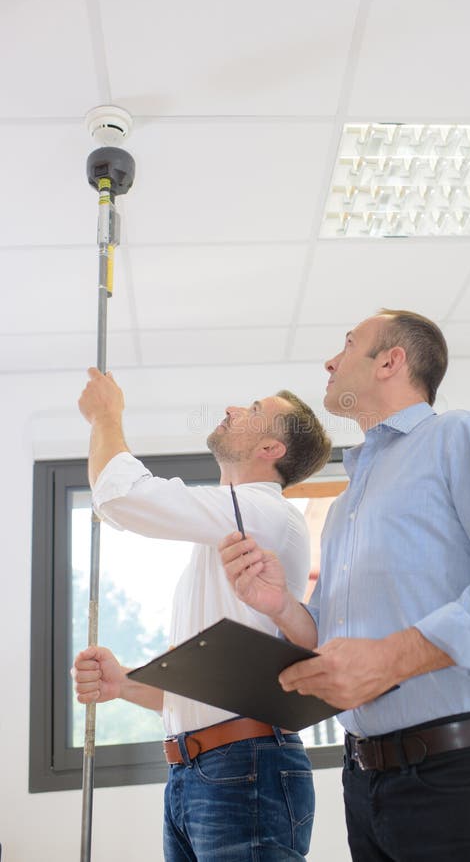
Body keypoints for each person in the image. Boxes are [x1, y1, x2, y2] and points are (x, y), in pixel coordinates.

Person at [219, 309, 470, 862]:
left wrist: (392, 658)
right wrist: (282, 604)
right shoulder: (346, 505)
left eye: (349, 343)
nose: (330, 361)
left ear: (391, 361)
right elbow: (330, 637)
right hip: (366, 786)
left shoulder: (460, 437)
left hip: (465, 779)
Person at [72, 367, 332, 862]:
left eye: (254, 410)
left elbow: (121, 497)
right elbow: (210, 689)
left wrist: (106, 416)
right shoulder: (218, 542)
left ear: (272, 450)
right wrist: (123, 682)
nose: (234, 408)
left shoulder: (263, 514)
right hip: (198, 771)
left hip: (245, 767)